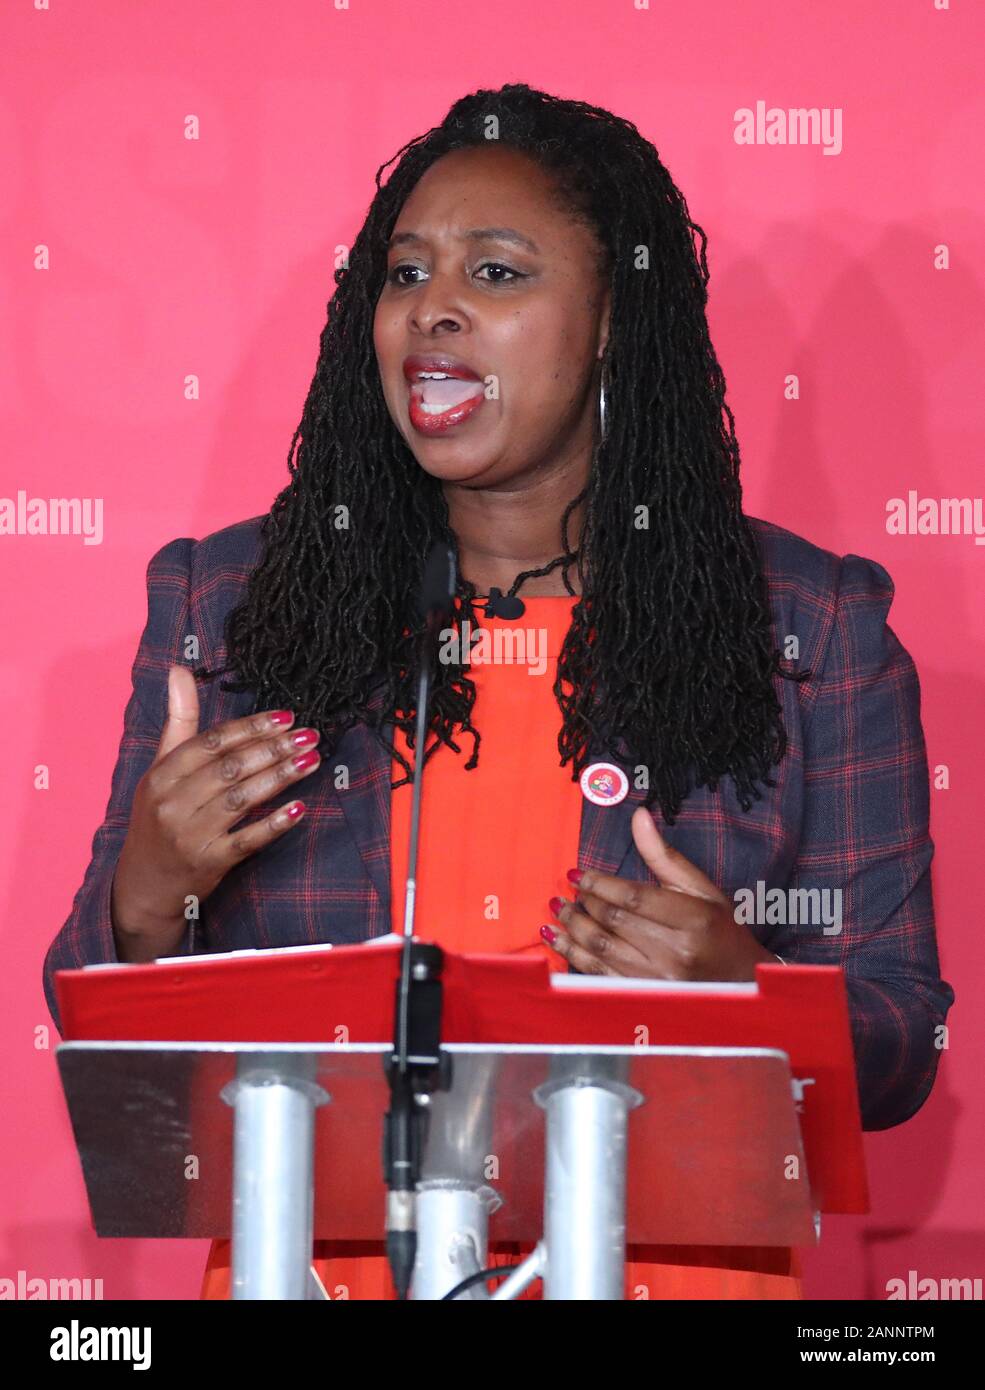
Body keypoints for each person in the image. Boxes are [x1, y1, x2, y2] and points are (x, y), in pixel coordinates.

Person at [43, 83, 954, 1301]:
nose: (435, 312)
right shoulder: (233, 607)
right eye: (405, 273)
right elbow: (97, 1025)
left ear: (615, 322)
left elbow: (899, 1044)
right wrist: (149, 890)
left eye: (499, 274)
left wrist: (748, 993)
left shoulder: (808, 624)